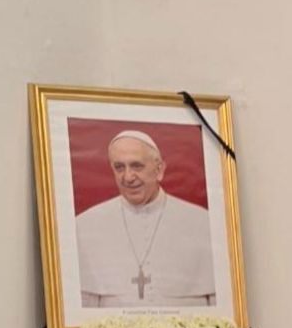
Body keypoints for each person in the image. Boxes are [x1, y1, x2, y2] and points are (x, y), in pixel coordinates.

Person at [72, 130, 216, 307]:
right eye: (119, 167)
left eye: (137, 166)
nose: (128, 177)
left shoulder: (203, 223)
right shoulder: (85, 226)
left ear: (159, 170)